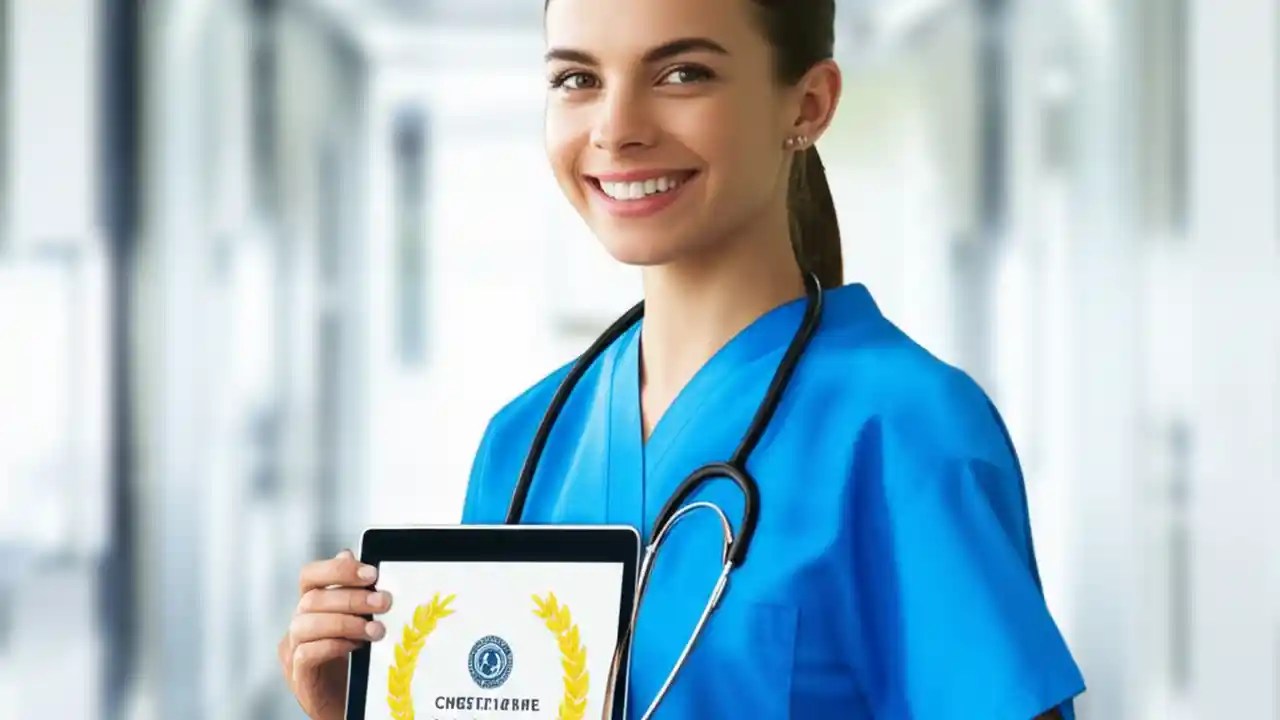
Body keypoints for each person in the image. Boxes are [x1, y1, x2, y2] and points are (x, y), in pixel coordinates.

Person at [278, 0, 1087, 717]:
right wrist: (359, 710)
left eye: (682, 72)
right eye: (576, 79)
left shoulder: (905, 428)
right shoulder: (523, 443)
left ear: (808, 103)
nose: (616, 126)